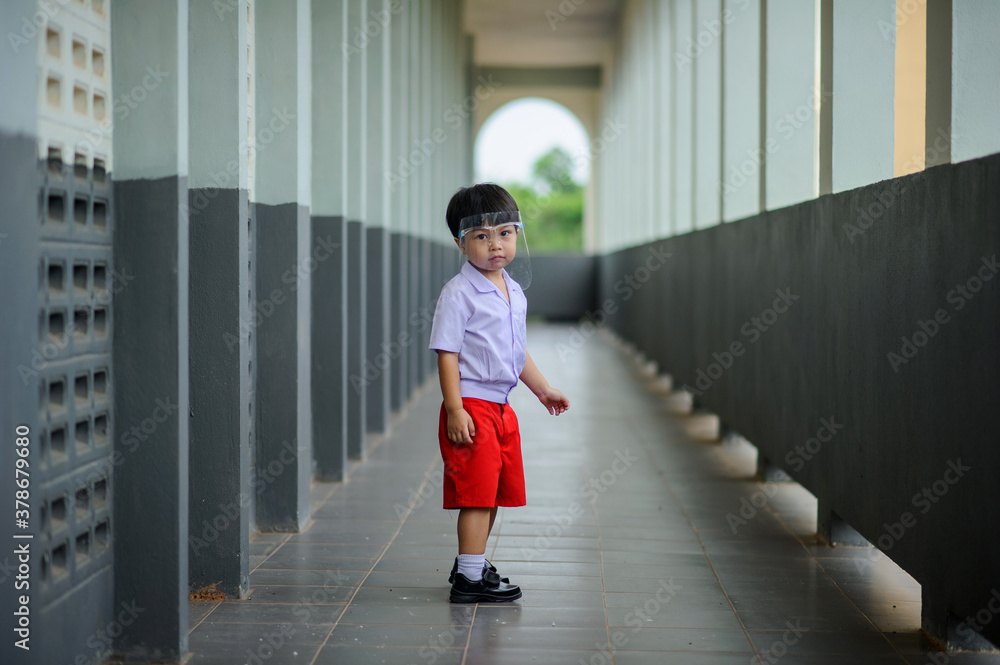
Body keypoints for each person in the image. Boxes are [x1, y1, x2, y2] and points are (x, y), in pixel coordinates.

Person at [428, 183, 570, 603]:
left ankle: (470, 564)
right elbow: (447, 354)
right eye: (482, 236)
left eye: (505, 233)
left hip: (501, 407)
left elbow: (515, 350)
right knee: (475, 495)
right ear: (460, 242)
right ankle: (469, 580)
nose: (496, 245)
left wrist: (542, 389)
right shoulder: (458, 294)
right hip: (472, 406)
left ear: (517, 235)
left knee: (490, 491)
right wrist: (455, 408)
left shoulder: (513, 290)